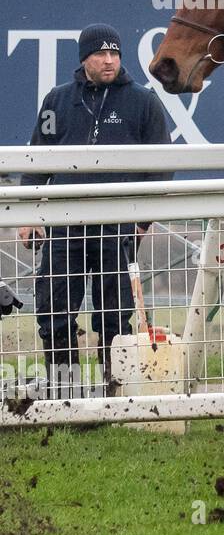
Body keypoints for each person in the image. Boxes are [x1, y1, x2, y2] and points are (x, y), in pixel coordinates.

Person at [18, 24, 171, 398]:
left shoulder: (144, 101)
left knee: (114, 316)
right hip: (63, 225)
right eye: (101, 54)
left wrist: (142, 221)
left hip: (117, 227)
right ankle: (64, 393)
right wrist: (29, 214)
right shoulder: (57, 100)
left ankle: (111, 395)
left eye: (114, 54)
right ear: (84, 58)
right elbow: (36, 162)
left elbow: (163, 166)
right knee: (53, 309)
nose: (109, 61)